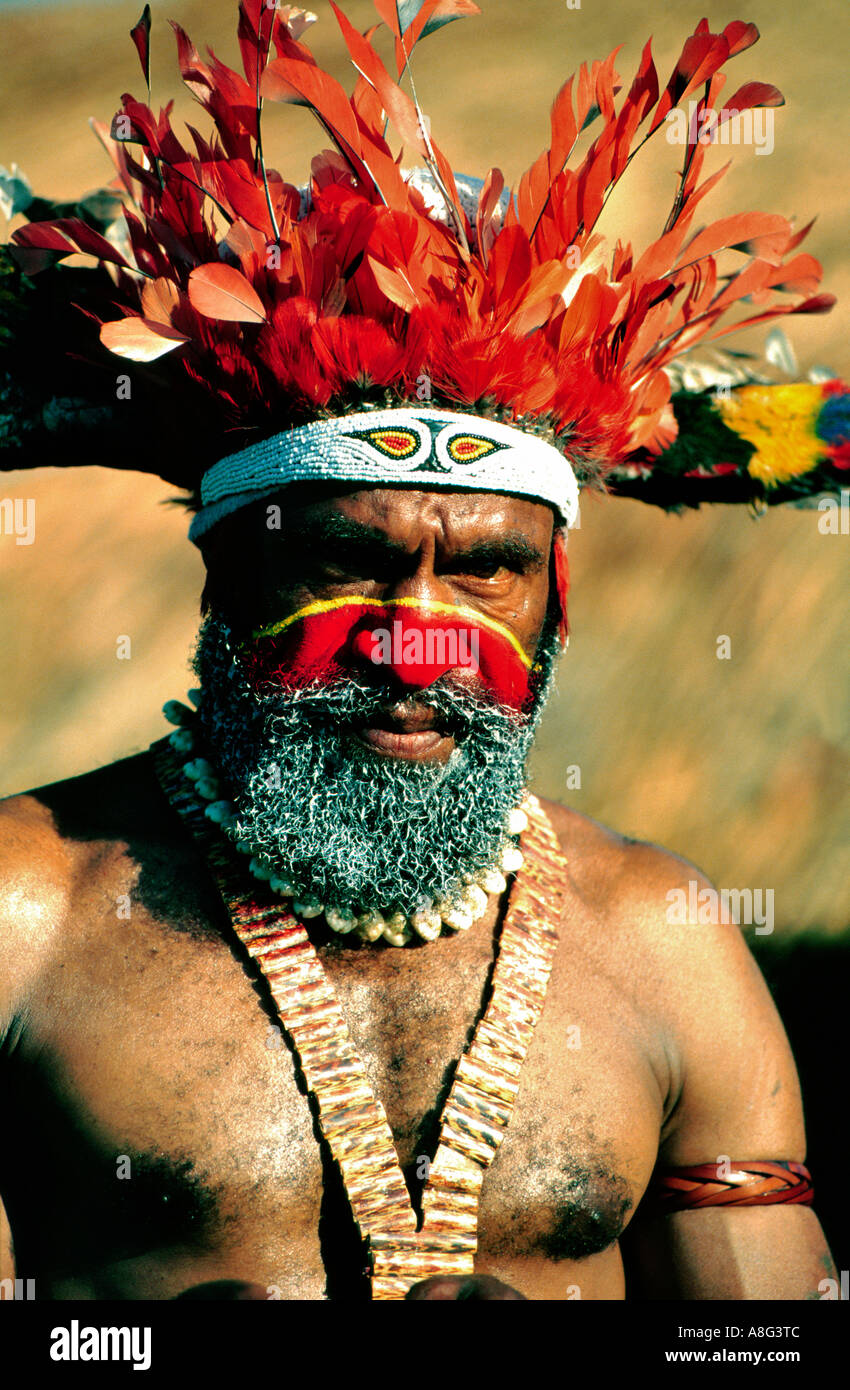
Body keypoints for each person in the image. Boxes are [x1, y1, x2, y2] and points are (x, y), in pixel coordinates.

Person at [0, 1, 845, 1301]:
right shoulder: (28, 911)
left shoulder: (662, 936)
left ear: (553, 602)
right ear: (231, 578)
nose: (415, 641)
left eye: (486, 571)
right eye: (350, 562)